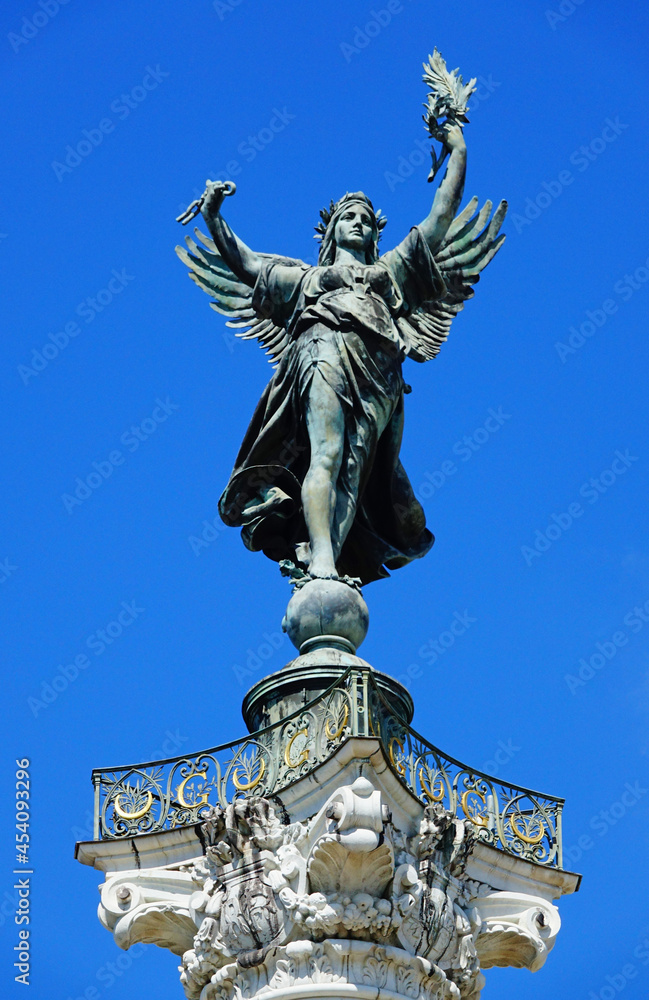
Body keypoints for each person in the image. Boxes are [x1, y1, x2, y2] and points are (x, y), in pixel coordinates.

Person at [177, 123, 505, 584]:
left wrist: (459, 152)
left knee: (357, 469)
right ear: (331, 232)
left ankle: (324, 552)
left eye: (367, 220)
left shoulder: (389, 273)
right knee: (327, 454)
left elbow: (438, 219)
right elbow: (247, 265)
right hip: (323, 351)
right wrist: (213, 216)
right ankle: (325, 564)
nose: (360, 223)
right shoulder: (308, 280)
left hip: (381, 375)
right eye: (349, 216)